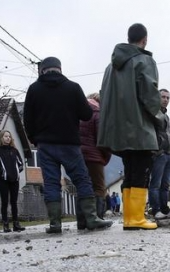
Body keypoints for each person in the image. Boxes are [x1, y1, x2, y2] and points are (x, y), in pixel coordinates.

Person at [23, 57, 112, 234]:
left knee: (51, 183)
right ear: (60, 69)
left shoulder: (34, 90)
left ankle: (55, 223)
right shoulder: (73, 87)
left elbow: (27, 119)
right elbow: (87, 114)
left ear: (42, 70)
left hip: (45, 145)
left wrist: (35, 139)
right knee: (82, 179)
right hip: (70, 143)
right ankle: (92, 218)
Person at [98, 23, 165, 230]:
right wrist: (159, 118)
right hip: (139, 128)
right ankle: (136, 218)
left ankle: (129, 218)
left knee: (130, 171)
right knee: (142, 171)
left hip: (118, 130)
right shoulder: (144, 60)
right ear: (144, 40)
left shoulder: (110, 67)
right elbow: (150, 95)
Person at [76, 92, 112, 229]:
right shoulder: (97, 114)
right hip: (94, 157)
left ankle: (81, 221)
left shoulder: (77, 113)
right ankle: (97, 219)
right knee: (99, 188)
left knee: (83, 187)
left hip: (78, 156)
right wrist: (105, 157)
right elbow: (102, 139)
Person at [0, 130, 25, 232]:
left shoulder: (14, 150)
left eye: (9, 136)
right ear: (1, 138)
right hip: (3, 180)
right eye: (5, 136)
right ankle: (5, 224)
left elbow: (21, 164)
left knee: (14, 202)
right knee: (4, 202)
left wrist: (17, 171)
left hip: (15, 180)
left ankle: (16, 224)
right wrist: (1, 172)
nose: (8, 138)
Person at [148, 88, 170, 219]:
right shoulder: (153, 113)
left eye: (168, 98)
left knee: (165, 184)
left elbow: (168, 133)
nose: (165, 100)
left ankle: (165, 209)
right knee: (155, 184)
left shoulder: (166, 116)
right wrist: (156, 150)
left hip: (169, 152)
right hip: (159, 153)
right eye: (163, 97)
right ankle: (156, 210)